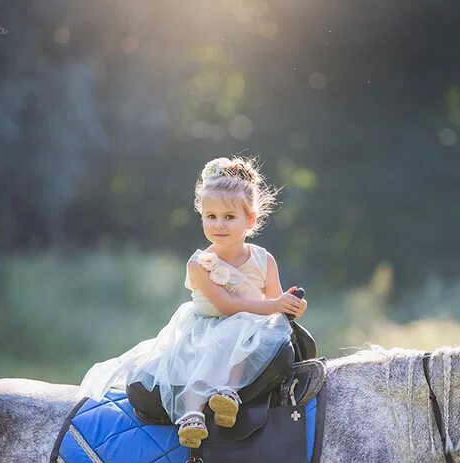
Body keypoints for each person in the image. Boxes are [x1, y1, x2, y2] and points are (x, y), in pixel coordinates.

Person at [77, 156, 308, 448]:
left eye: (228, 217)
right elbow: (225, 306)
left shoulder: (264, 259)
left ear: (250, 220)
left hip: (249, 325)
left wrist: (289, 305)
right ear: (201, 216)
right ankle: (192, 414)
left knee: (260, 336)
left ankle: (229, 393)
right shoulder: (199, 264)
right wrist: (274, 306)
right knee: (197, 354)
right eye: (210, 217)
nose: (218, 225)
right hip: (208, 325)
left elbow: (275, 301)